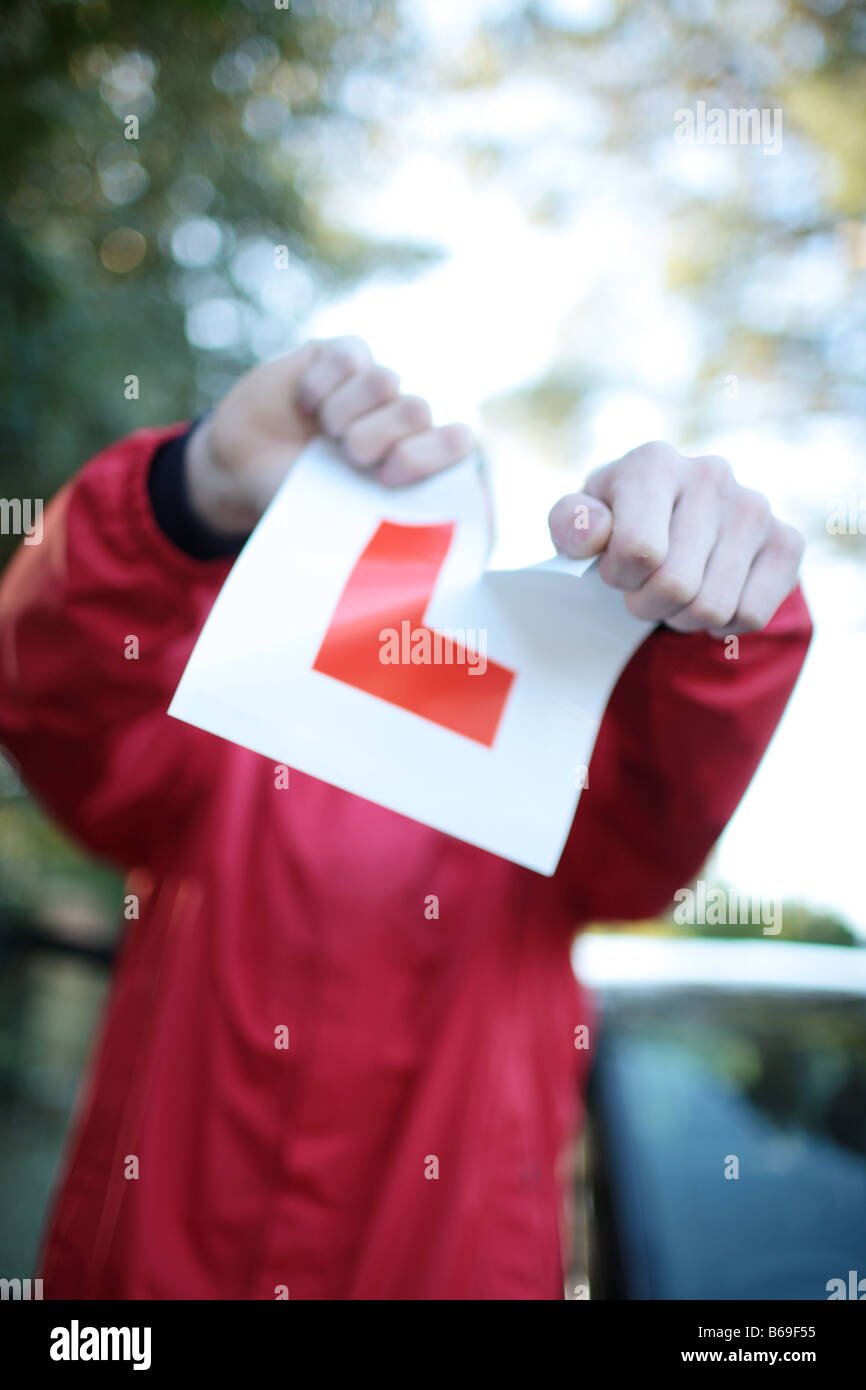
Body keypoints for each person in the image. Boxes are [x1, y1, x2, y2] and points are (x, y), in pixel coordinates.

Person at [0, 336, 810, 1300]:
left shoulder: (564, 786)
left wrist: (709, 608)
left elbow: (666, 813)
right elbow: (50, 704)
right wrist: (188, 493)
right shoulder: (217, 725)